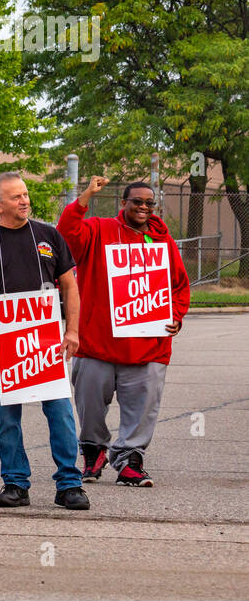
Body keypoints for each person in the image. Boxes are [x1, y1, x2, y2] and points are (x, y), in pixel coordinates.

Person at [0, 171, 89, 510]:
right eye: (16, 197)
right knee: (7, 416)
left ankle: (70, 484)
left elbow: (69, 286)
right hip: (1, 347)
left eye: (25, 195)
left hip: (46, 344)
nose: (24, 200)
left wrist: (72, 331)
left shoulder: (49, 236)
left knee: (60, 413)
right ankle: (15, 483)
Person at [56, 175, 190, 486]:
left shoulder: (163, 243)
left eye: (148, 203)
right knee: (89, 408)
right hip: (96, 342)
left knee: (142, 411)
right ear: (123, 203)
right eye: (136, 202)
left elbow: (179, 287)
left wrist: (176, 316)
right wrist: (86, 195)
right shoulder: (100, 230)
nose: (143, 207)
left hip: (148, 345)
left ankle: (131, 460)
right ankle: (93, 452)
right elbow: (67, 233)